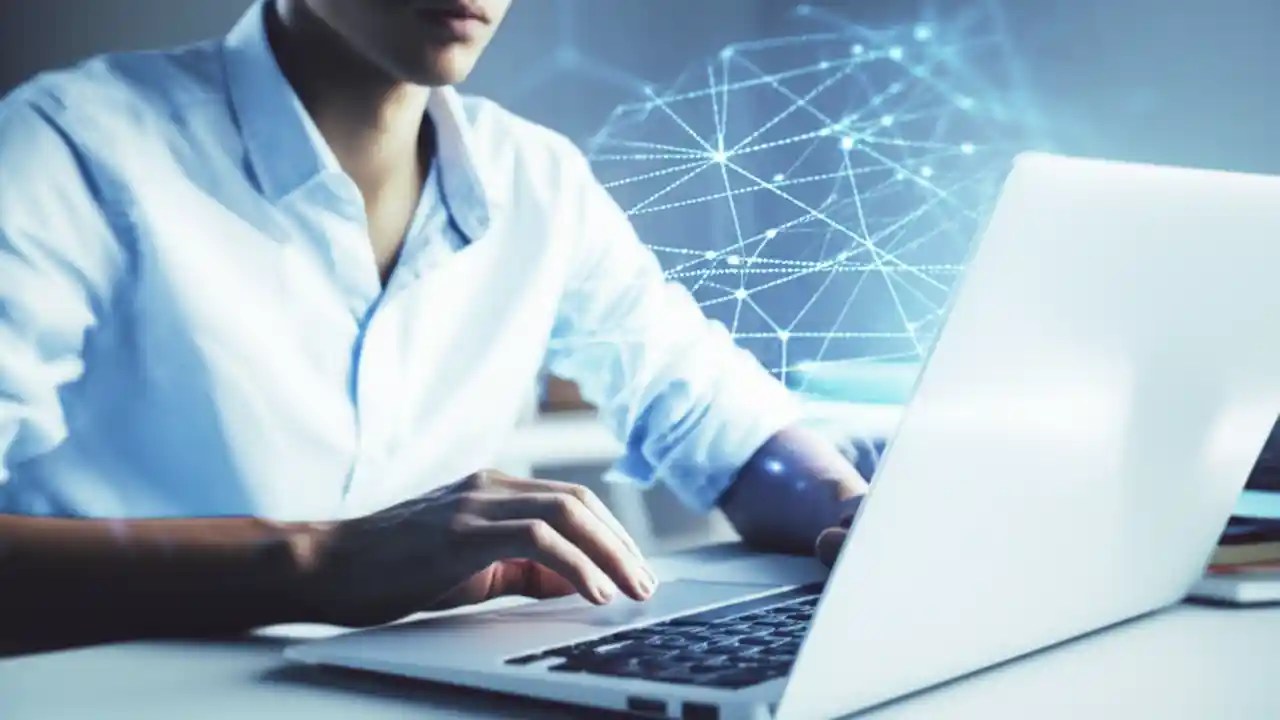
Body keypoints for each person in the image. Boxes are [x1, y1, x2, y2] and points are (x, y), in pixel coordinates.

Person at [0, 0, 868, 650]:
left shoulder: (535, 177)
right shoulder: (73, 145)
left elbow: (712, 415)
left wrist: (859, 515)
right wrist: (314, 562)